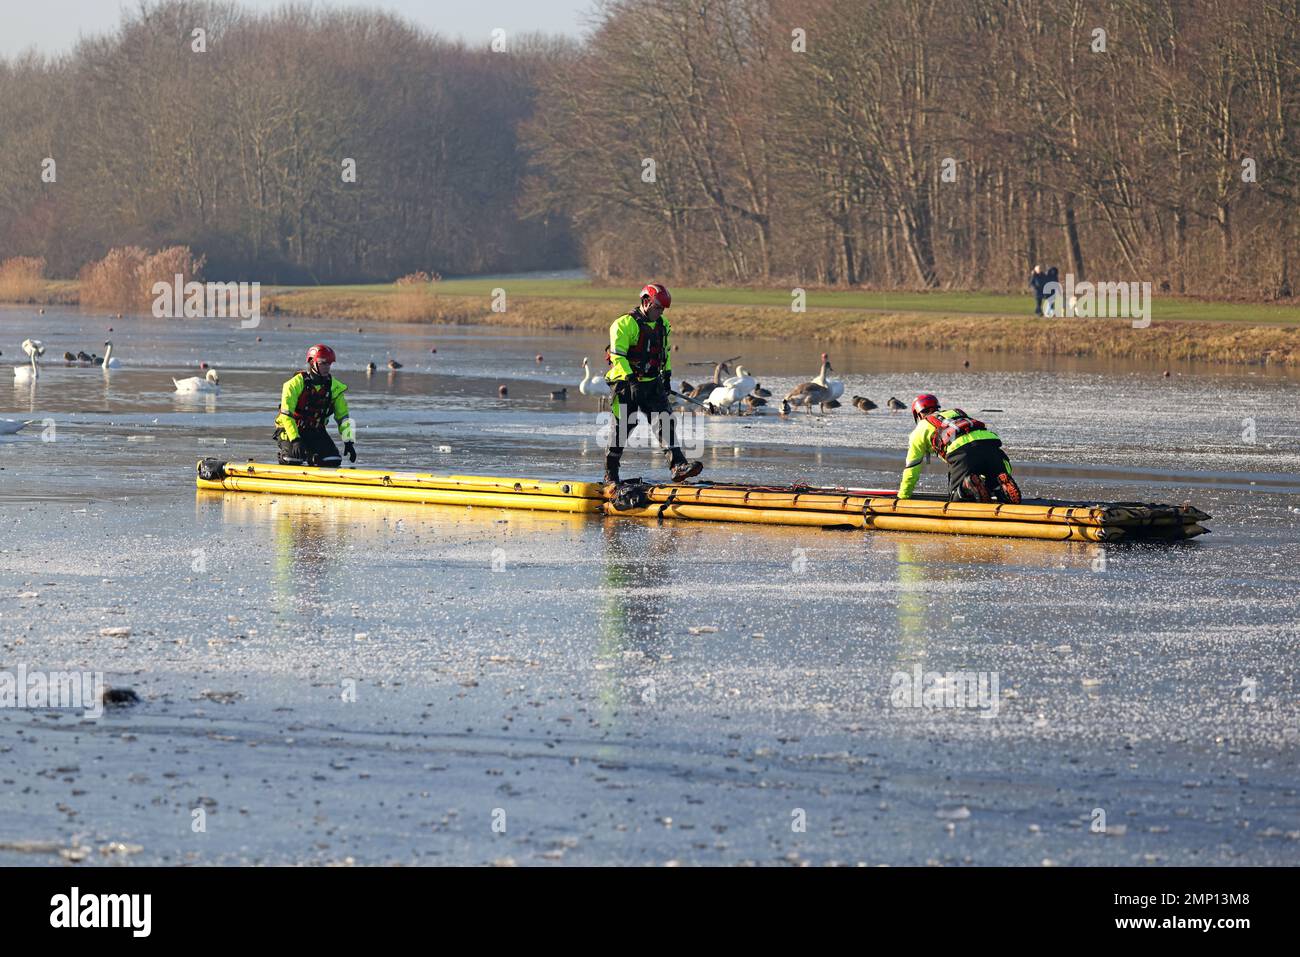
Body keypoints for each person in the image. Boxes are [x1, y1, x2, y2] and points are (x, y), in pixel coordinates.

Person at [604, 283, 703, 486]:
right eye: (657, 307)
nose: (660, 312)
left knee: (664, 421)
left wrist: (666, 376)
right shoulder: (623, 324)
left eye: (663, 309)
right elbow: (617, 356)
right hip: (624, 384)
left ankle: (678, 466)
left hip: (651, 382)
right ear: (646, 301)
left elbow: (664, 353)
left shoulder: (663, 324)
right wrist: (631, 380)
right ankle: (611, 475)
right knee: (623, 426)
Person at [897, 394, 1021, 503]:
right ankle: (999, 486)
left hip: (962, 452)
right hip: (991, 446)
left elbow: (912, 468)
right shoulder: (956, 412)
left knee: (956, 498)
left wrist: (902, 497)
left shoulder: (920, 429)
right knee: (993, 481)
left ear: (917, 414)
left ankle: (966, 486)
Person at [275, 344, 355, 467]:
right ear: (312, 362)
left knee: (332, 460)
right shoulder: (294, 384)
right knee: (293, 459)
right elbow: (286, 415)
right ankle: (287, 453)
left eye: (329, 364)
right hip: (290, 430)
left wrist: (348, 441)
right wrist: (295, 440)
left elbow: (343, 418)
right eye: (323, 363)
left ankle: (311, 455)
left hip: (315, 430)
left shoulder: (335, 387)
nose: (327, 367)